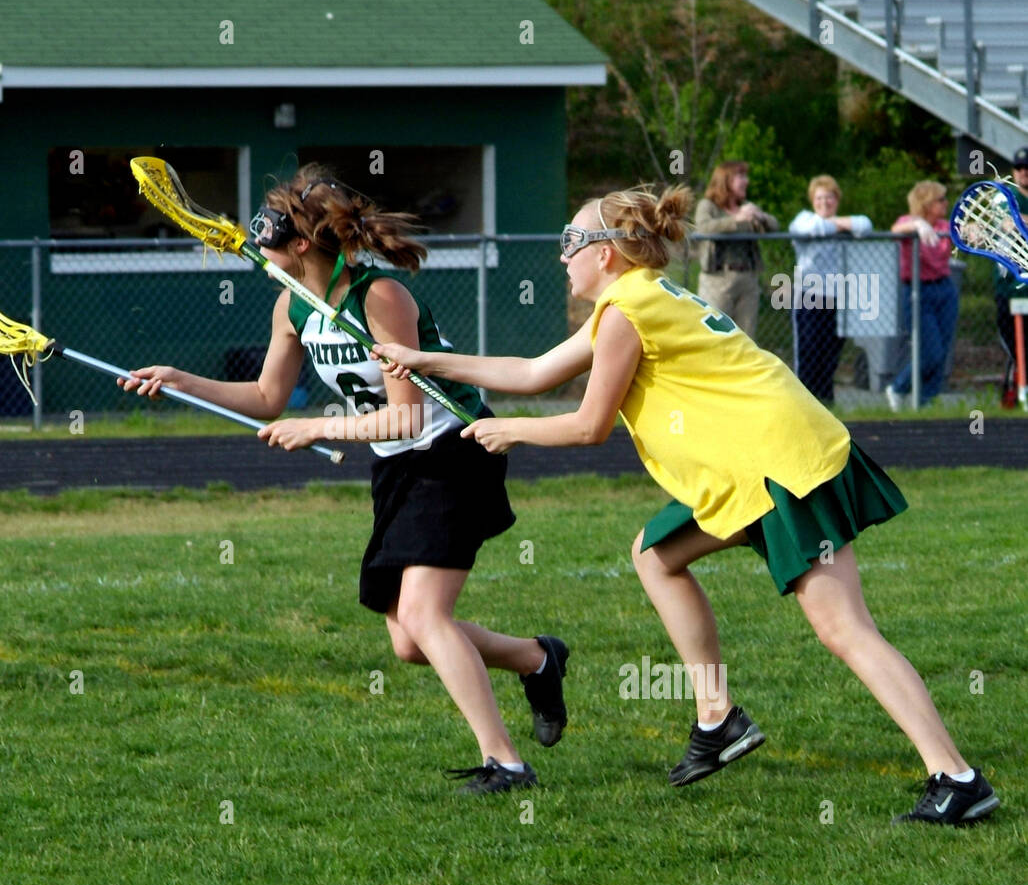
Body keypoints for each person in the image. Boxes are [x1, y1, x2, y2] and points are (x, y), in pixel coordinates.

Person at [372, 183, 998, 825]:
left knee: (844, 630)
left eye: (569, 242)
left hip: (778, 465)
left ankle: (957, 777)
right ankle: (717, 716)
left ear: (607, 253)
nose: (562, 257)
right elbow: (533, 373)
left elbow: (589, 425)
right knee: (655, 553)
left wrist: (511, 431)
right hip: (758, 464)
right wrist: (422, 359)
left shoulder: (625, 311)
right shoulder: (631, 300)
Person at [120, 165, 569, 794]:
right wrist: (180, 379)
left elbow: (407, 412)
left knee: (424, 613)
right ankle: (537, 658)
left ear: (301, 246)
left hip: (452, 450)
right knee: (410, 642)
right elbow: (267, 395)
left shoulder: (377, 297)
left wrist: (319, 429)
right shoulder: (292, 306)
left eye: (271, 245)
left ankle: (508, 764)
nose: (264, 257)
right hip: (397, 463)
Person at [788, 175, 873, 404]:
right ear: (812, 200)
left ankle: (827, 402)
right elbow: (811, 228)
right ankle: (805, 403)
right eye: (819, 197)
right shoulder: (803, 219)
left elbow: (865, 225)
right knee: (809, 351)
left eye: (830, 197)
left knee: (831, 353)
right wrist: (840, 225)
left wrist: (837, 223)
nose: (825, 202)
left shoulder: (842, 221)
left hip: (837, 296)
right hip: (809, 295)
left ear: (837, 199)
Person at [884, 181, 958, 411]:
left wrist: (970, 232)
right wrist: (918, 224)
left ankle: (927, 403)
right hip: (918, 290)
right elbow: (895, 231)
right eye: (941, 200)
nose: (946, 204)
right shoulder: (909, 222)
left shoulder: (945, 225)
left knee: (942, 351)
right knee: (930, 351)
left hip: (944, 288)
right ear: (926, 203)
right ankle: (899, 387)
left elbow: (963, 232)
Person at [693, 160, 779, 338]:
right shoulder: (708, 206)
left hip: (748, 280)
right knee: (714, 336)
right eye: (741, 176)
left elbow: (774, 225)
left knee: (746, 339)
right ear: (725, 180)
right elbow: (703, 229)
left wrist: (759, 216)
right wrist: (736, 220)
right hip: (717, 280)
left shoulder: (746, 207)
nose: (746, 181)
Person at [993, 148, 1028, 405]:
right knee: (1017, 347)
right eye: (1019, 168)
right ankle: (1019, 389)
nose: (1024, 172)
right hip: (1011, 288)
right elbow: (1008, 222)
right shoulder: (1005, 196)